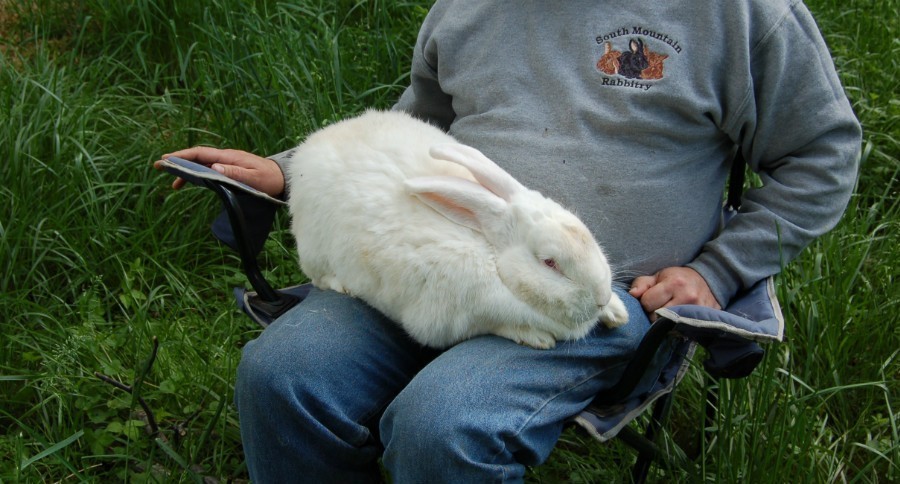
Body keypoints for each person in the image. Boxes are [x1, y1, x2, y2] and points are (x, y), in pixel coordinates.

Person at [158, 1, 861, 482]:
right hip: (427, 259)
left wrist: (718, 270)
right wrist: (287, 170)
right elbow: (412, 127)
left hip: (594, 300)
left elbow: (824, 153)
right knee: (283, 377)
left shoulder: (741, 15)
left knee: (443, 425)